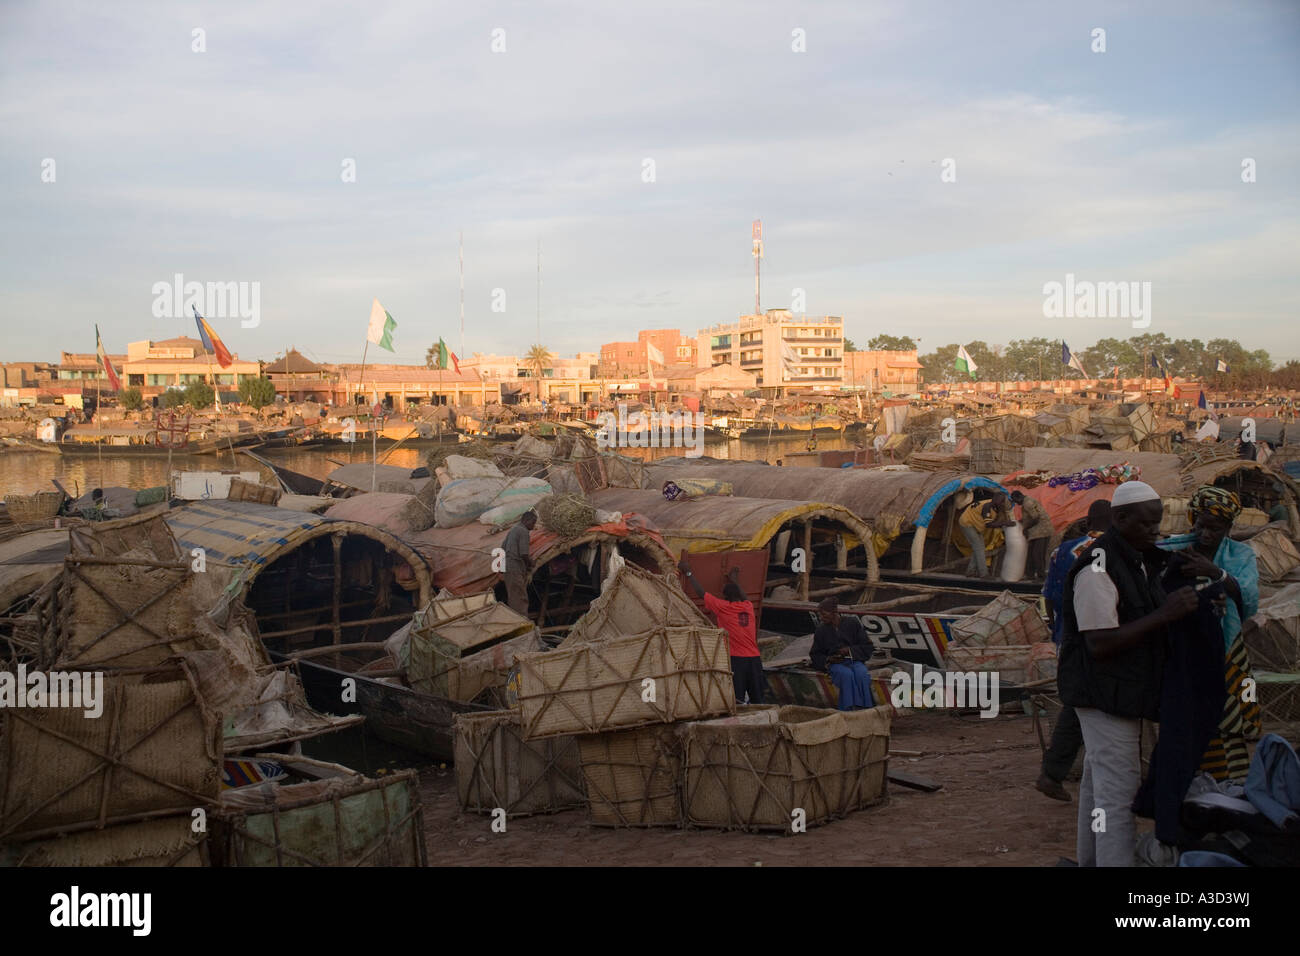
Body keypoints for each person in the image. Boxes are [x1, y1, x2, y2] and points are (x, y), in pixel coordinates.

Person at [1057, 480, 1199, 867]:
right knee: (1118, 796)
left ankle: (1090, 860)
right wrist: (1165, 615)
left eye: (1158, 523)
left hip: (1119, 691)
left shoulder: (1135, 558)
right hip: (1103, 695)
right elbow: (1099, 643)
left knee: (1097, 786)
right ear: (1120, 519)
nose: (1155, 532)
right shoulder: (1097, 569)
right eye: (1147, 524)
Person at [1157, 486, 1261, 781]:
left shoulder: (1241, 554)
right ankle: (1191, 781)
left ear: (1228, 527)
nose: (1205, 534)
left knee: (1227, 718)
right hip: (1184, 650)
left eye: (1214, 528)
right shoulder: (1173, 548)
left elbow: (1250, 597)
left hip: (1227, 649)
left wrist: (1217, 575)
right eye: (1200, 525)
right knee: (1190, 717)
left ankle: (1229, 783)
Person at [1035, 499, 1111, 802]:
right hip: (1099, 638)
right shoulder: (1108, 552)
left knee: (1079, 702)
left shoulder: (1061, 551)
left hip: (1068, 636)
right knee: (1084, 705)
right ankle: (1056, 771)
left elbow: (1050, 595)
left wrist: (1056, 629)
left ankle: (1055, 771)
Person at [678, 556, 766, 705]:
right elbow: (743, 595)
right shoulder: (748, 607)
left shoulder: (723, 607)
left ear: (725, 597)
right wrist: (735, 580)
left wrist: (688, 573)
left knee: (737, 698)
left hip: (736, 659)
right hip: (755, 658)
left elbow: (701, 593)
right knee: (758, 698)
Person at [810, 597, 875, 710]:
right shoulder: (821, 630)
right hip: (835, 665)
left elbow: (867, 646)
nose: (821, 618)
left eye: (824, 615)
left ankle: (866, 708)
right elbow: (815, 654)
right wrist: (829, 659)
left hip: (854, 660)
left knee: (862, 673)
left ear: (834, 613)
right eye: (820, 615)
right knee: (846, 675)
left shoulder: (852, 623)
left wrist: (849, 650)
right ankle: (848, 709)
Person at [958, 491, 1014, 578]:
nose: (1001, 504)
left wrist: (1004, 522)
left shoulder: (995, 505)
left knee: (979, 548)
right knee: (979, 548)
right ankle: (984, 574)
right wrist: (1004, 523)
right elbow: (989, 524)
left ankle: (970, 571)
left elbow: (997, 520)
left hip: (975, 524)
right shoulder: (987, 506)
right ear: (996, 500)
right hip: (967, 523)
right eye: (1001, 503)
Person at [1009, 490, 1053, 579]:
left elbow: (1035, 518)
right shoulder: (1028, 501)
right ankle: (1030, 574)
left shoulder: (1027, 503)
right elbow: (1030, 517)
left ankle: (1041, 576)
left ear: (1019, 497)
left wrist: (1026, 528)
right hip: (1040, 530)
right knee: (1032, 553)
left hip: (1041, 531)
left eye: (1016, 500)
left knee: (1037, 554)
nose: (1016, 503)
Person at [503, 509, 536, 614]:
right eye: (533, 523)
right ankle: (522, 620)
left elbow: (503, 547)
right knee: (520, 597)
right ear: (527, 520)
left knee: (513, 595)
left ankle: (513, 618)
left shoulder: (513, 529)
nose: (534, 526)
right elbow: (524, 554)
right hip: (515, 567)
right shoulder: (523, 531)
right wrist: (531, 562)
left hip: (508, 566)